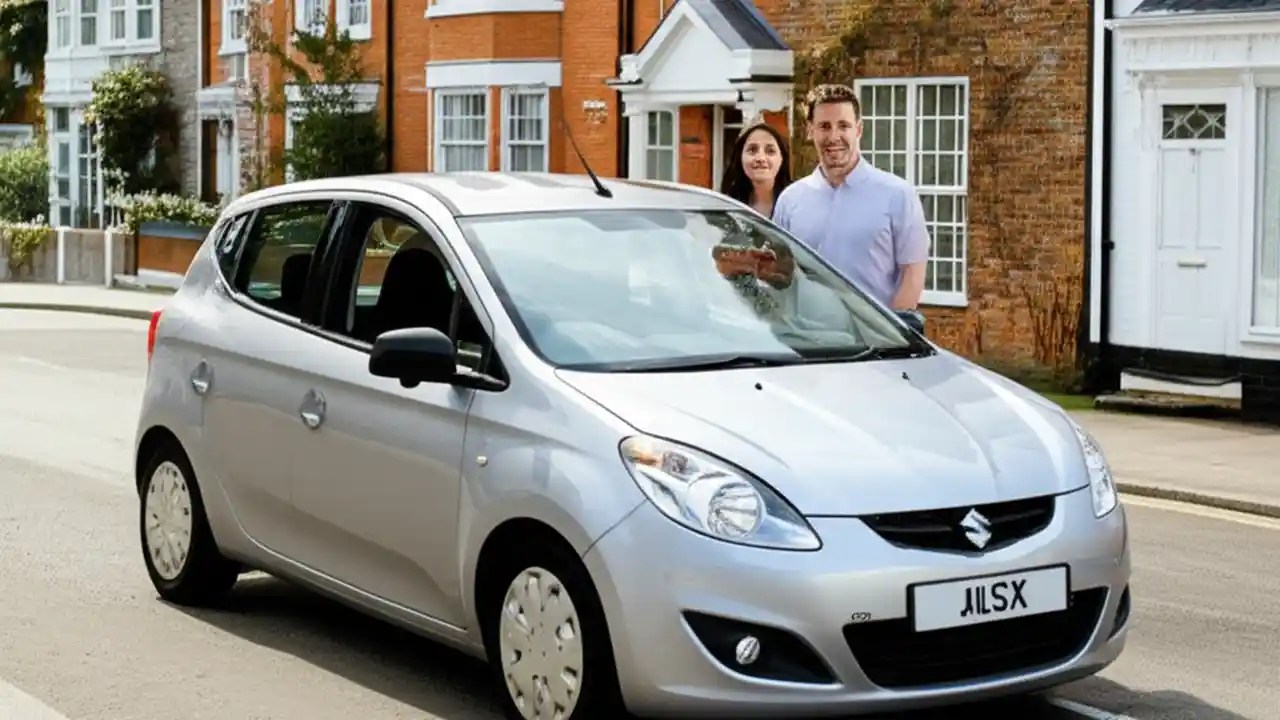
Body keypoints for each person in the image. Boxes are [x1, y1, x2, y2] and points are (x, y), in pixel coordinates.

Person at [772, 83, 931, 312]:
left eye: (843, 126)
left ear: (858, 130)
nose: (834, 136)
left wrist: (890, 341)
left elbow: (912, 274)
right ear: (810, 130)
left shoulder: (897, 194)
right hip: (809, 341)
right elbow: (781, 276)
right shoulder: (790, 199)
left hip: (875, 344)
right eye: (824, 126)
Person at [716, 121, 793, 218]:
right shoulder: (728, 205)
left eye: (770, 151)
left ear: (782, 158)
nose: (760, 158)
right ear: (740, 157)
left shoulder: (796, 201)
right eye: (752, 150)